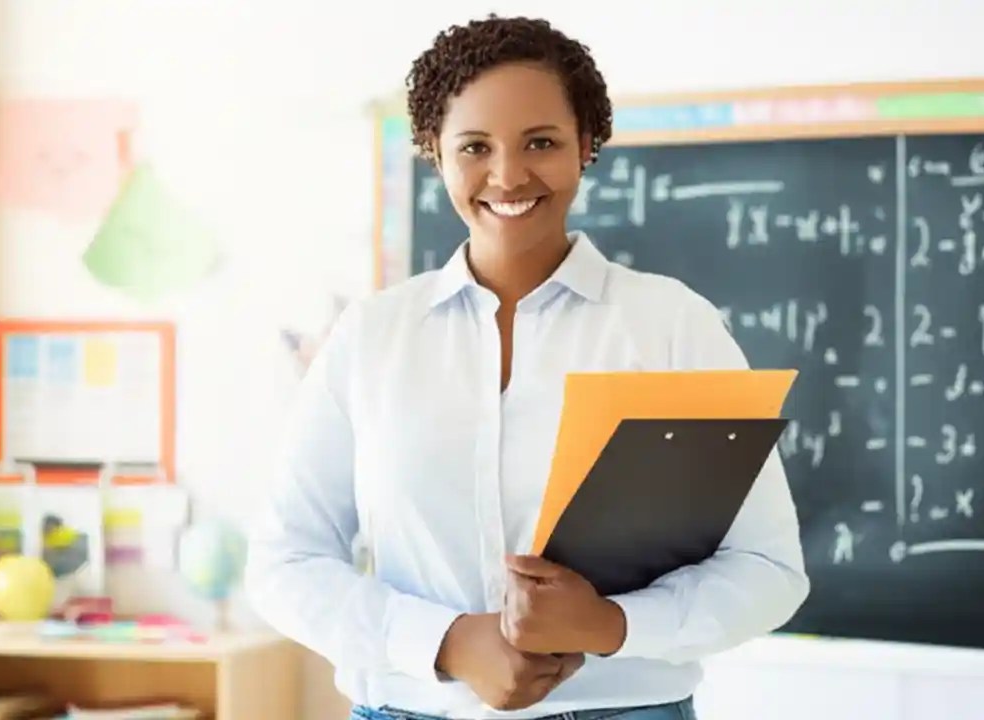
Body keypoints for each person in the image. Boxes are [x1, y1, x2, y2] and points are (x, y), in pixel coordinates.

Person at [245, 14, 810, 720]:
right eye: (474, 146)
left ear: (587, 146)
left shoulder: (671, 326)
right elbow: (284, 565)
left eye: (540, 142)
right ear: (435, 152)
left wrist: (609, 625)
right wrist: (449, 642)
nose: (508, 175)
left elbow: (768, 571)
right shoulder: (371, 337)